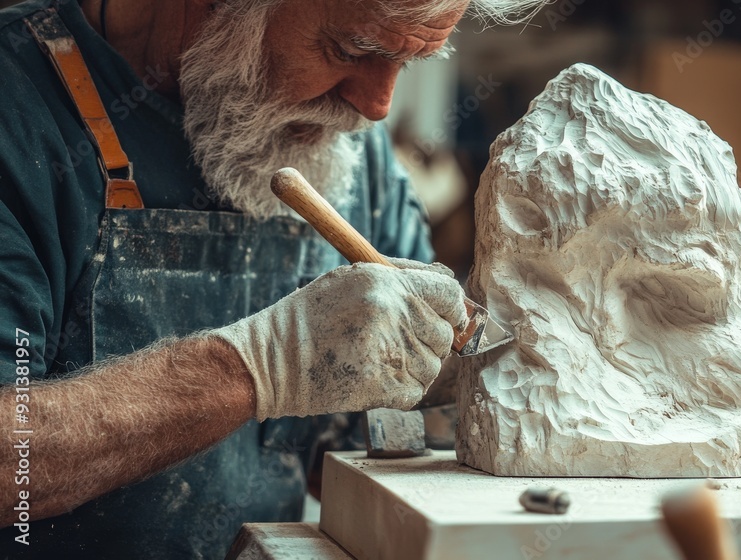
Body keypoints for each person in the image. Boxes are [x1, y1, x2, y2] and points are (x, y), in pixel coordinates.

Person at [0, 0, 542, 557]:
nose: (378, 107)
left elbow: (349, 455)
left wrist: (432, 405)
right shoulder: (18, 113)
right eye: (352, 50)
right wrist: (254, 366)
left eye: (410, 60)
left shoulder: (343, 140)